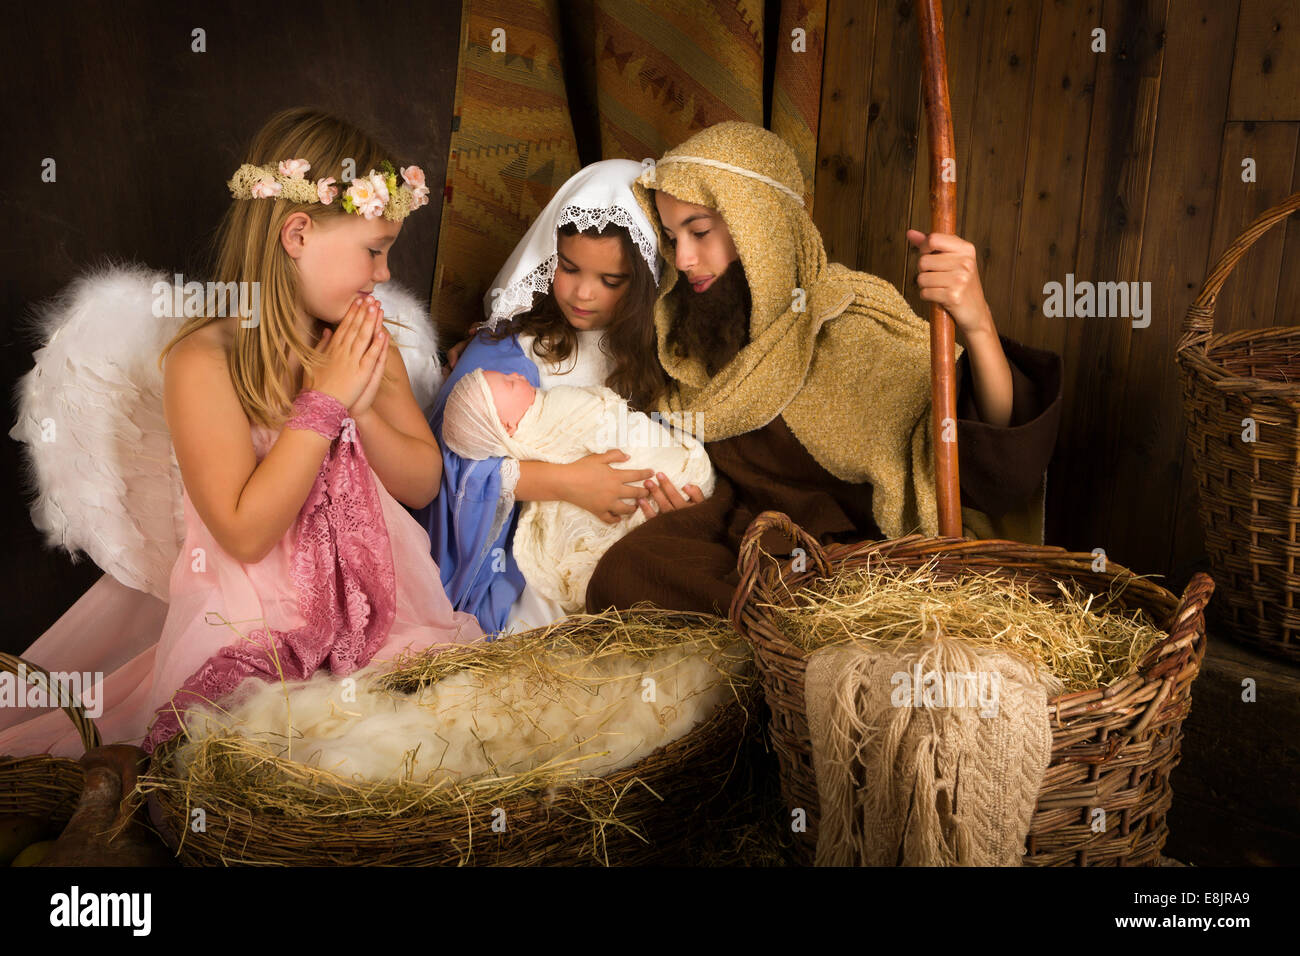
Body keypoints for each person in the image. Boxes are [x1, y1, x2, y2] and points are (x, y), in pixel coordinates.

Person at [0, 107, 483, 758]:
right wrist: (323, 403)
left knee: (429, 738)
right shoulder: (205, 361)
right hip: (254, 619)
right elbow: (246, 533)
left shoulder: (365, 341)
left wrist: (362, 407)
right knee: (282, 747)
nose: (384, 274)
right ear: (298, 234)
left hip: (382, 610)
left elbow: (421, 484)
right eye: (374, 250)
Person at [584, 121, 1064, 619]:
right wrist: (697, 505)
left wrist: (978, 322)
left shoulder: (846, 323)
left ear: (760, 224)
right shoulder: (701, 344)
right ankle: (772, 623)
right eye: (671, 237)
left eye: (700, 231)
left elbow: (994, 463)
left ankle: (792, 624)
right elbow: (745, 486)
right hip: (767, 544)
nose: (683, 259)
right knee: (630, 569)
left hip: (869, 560)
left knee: (810, 598)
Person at [415, 159, 677, 636]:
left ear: (643, 281)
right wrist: (565, 482)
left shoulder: (660, 365)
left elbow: (671, 450)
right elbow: (444, 472)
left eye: (611, 281)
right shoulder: (507, 349)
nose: (582, 293)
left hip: (616, 552)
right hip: (517, 573)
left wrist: (675, 494)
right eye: (568, 268)